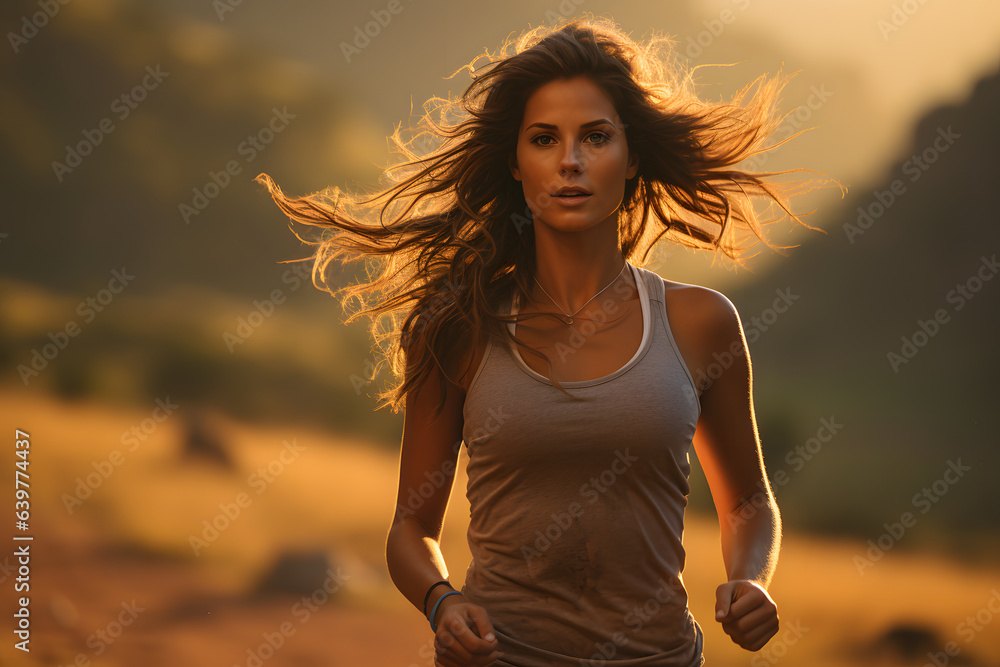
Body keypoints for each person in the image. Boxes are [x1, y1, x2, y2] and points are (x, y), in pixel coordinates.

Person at [256, 14, 833, 667]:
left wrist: (752, 577)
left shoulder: (701, 324)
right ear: (515, 161)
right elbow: (410, 530)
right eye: (543, 139)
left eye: (595, 137)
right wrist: (442, 601)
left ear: (631, 154)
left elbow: (750, 503)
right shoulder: (457, 329)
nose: (570, 161)